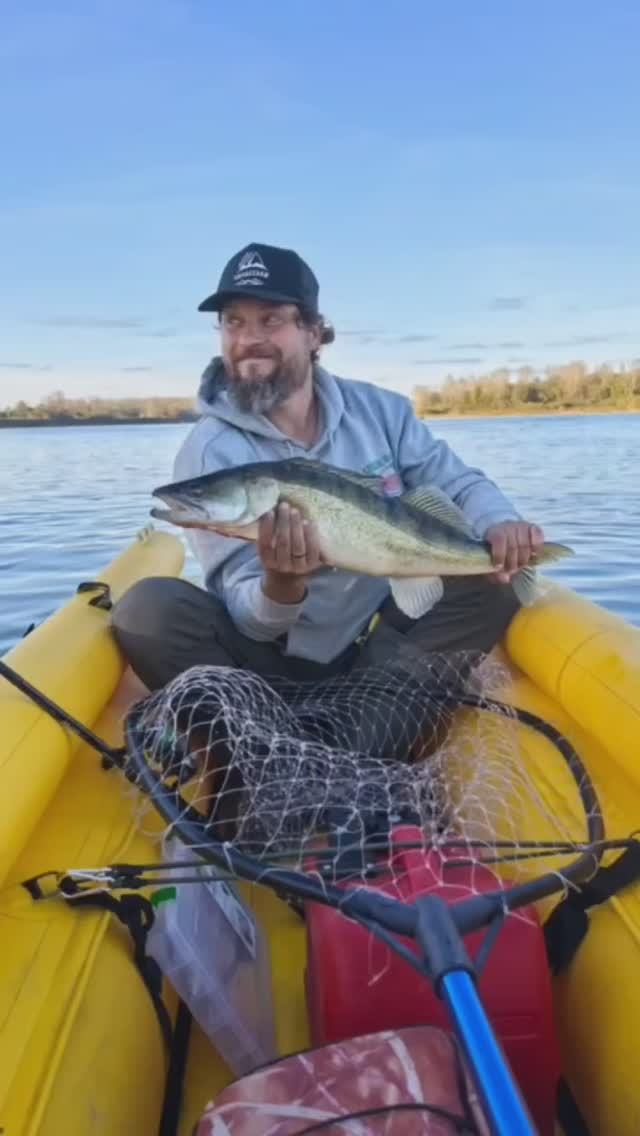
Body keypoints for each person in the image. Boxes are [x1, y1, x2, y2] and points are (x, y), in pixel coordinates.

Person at [111, 242, 544, 694]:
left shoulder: (382, 410)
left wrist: (500, 522)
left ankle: (356, 725)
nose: (246, 339)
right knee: (149, 610)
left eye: (270, 319)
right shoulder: (209, 452)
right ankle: (336, 730)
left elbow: (455, 482)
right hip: (272, 660)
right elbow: (247, 615)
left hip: (386, 636)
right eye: (233, 322)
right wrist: (282, 584)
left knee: (497, 586)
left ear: (314, 333)